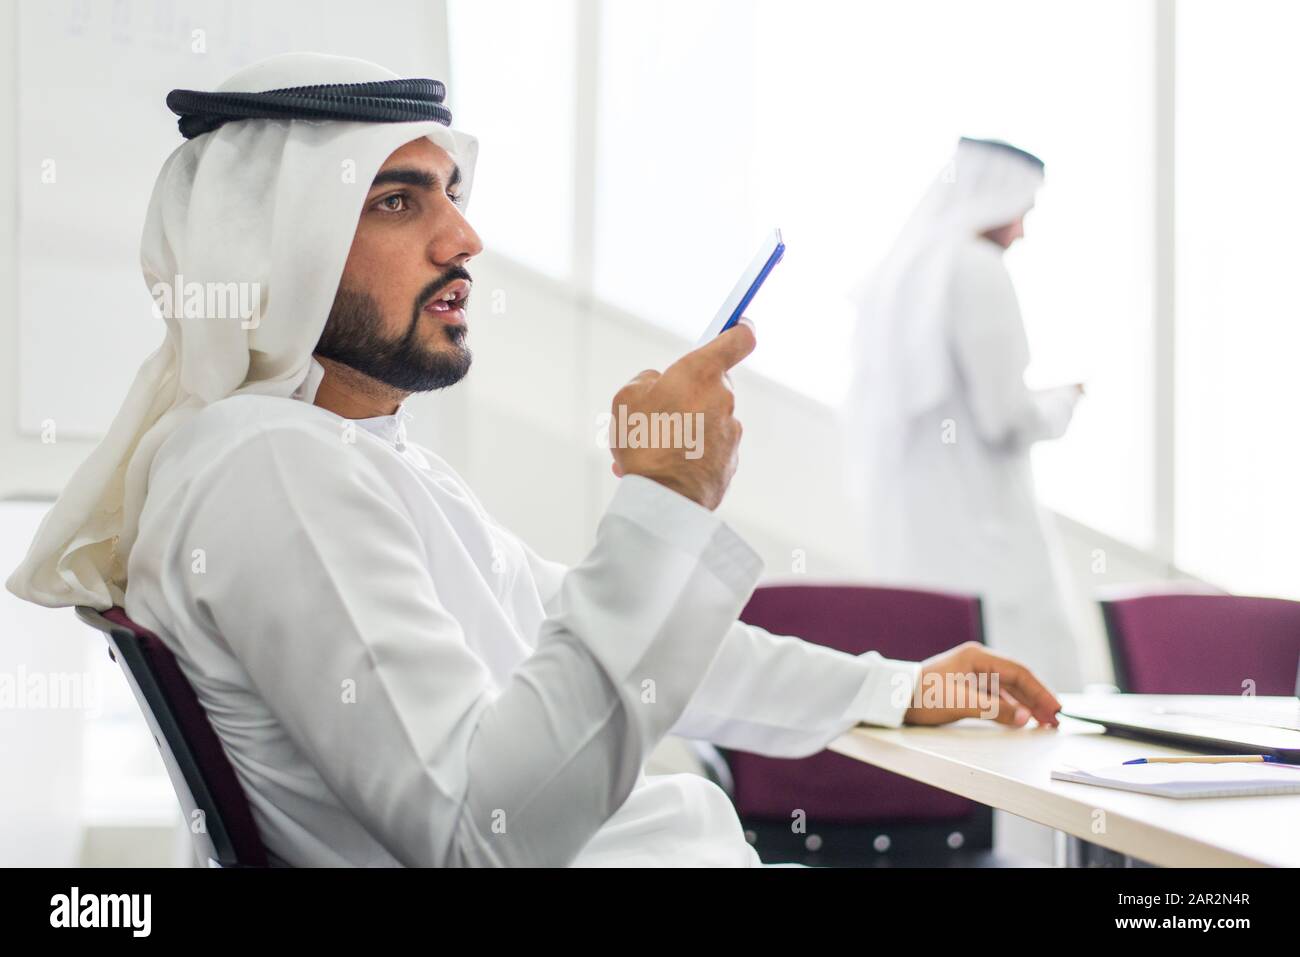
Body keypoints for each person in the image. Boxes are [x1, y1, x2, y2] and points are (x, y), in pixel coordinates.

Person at [8, 57, 1061, 867]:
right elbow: (483, 831)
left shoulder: (353, 456)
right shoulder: (267, 468)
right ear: (273, 244)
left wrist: (891, 686)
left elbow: (582, 632)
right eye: (397, 200)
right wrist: (664, 496)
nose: (463, 237)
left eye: (452, 193)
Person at [845, 136, 1084, 693]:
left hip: (915, 546)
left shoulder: (902, 273)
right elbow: (1004, 418)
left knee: (942, 707)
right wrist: (1064, 402)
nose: (1021, 230)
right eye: (1022, 211)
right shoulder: (976, 268)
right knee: (1022, 706)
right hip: (988, 542)